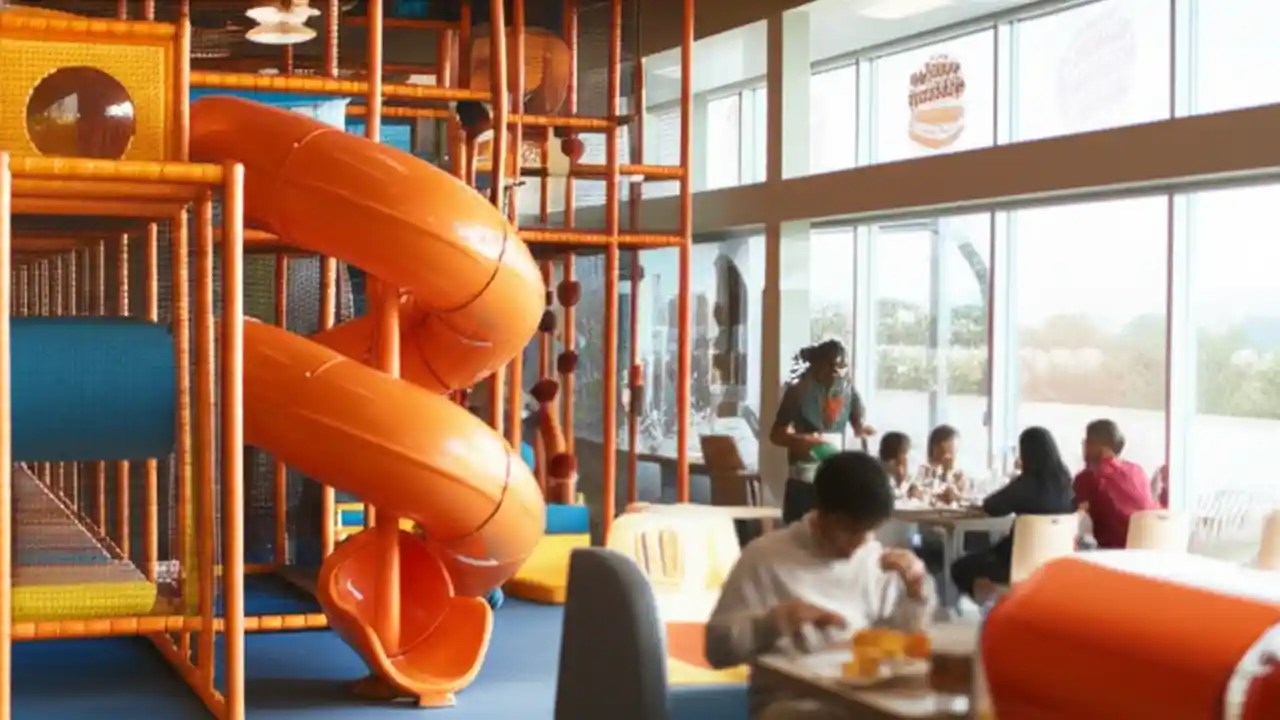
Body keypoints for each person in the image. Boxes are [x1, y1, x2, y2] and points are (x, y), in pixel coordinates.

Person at [705, 452, 934, 720]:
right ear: (822, 513)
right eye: (848, 528)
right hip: (789, 703)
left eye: (868, 530)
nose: (858, 543)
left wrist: (915, 592)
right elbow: (716, 650)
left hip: (865, 700)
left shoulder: (874, 559)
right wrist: (775, 622)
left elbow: (907, 644)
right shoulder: (764, 557)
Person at [949, 427, 1076, 604]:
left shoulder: (1026, 484)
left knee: (960, 568)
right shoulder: (1065, 482)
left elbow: (992, 506)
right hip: (1055, 562)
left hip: (1015, 561)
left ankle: (992, 608)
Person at [769, 339, 875, 524]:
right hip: (804, 476)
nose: (838, 373)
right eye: (832, 367)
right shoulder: (798, 390)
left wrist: (862, 432)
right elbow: (776, 434)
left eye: (843, 367)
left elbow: (857, 424)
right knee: (800, 536)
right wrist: (800, 440)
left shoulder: (848, 389)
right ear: (818, 365)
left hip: (836, 475)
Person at [1074, 419, 1158, 549]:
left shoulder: (1089, 477)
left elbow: (1071, 519)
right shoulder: (1137, 470)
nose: (1083, 446)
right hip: (1148, 550)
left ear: (1097, 446)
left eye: (1087, 442)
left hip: (1113, 554)